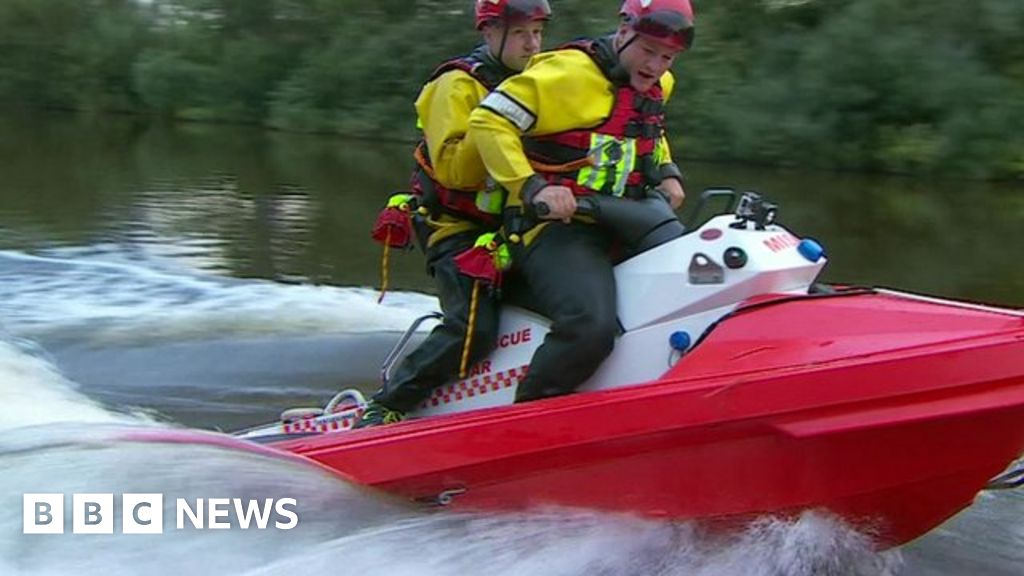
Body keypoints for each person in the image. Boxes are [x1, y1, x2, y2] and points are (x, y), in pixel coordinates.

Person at [467, 0, 694, 403]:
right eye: (648, 51)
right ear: (623, 31)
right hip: (553, 228)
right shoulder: (565, 74)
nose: (656, 66)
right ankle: (526, 415)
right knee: (591, 327)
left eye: (668, 57)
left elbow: (648, 129)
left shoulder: (661, 83)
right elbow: (489, 120)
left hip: (627, 220)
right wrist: (533, 187)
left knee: (701, 280)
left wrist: (668, 171)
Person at [359, 0, 553, 428]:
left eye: (537, 33)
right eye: (521, 33)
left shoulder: (540, 81)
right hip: (457, 229)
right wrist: (500, 125)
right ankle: (389, 404)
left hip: (515, 228)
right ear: (489, 33)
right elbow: (454, 169)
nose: (532, 44)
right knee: (475, 327)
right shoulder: (456, 85)